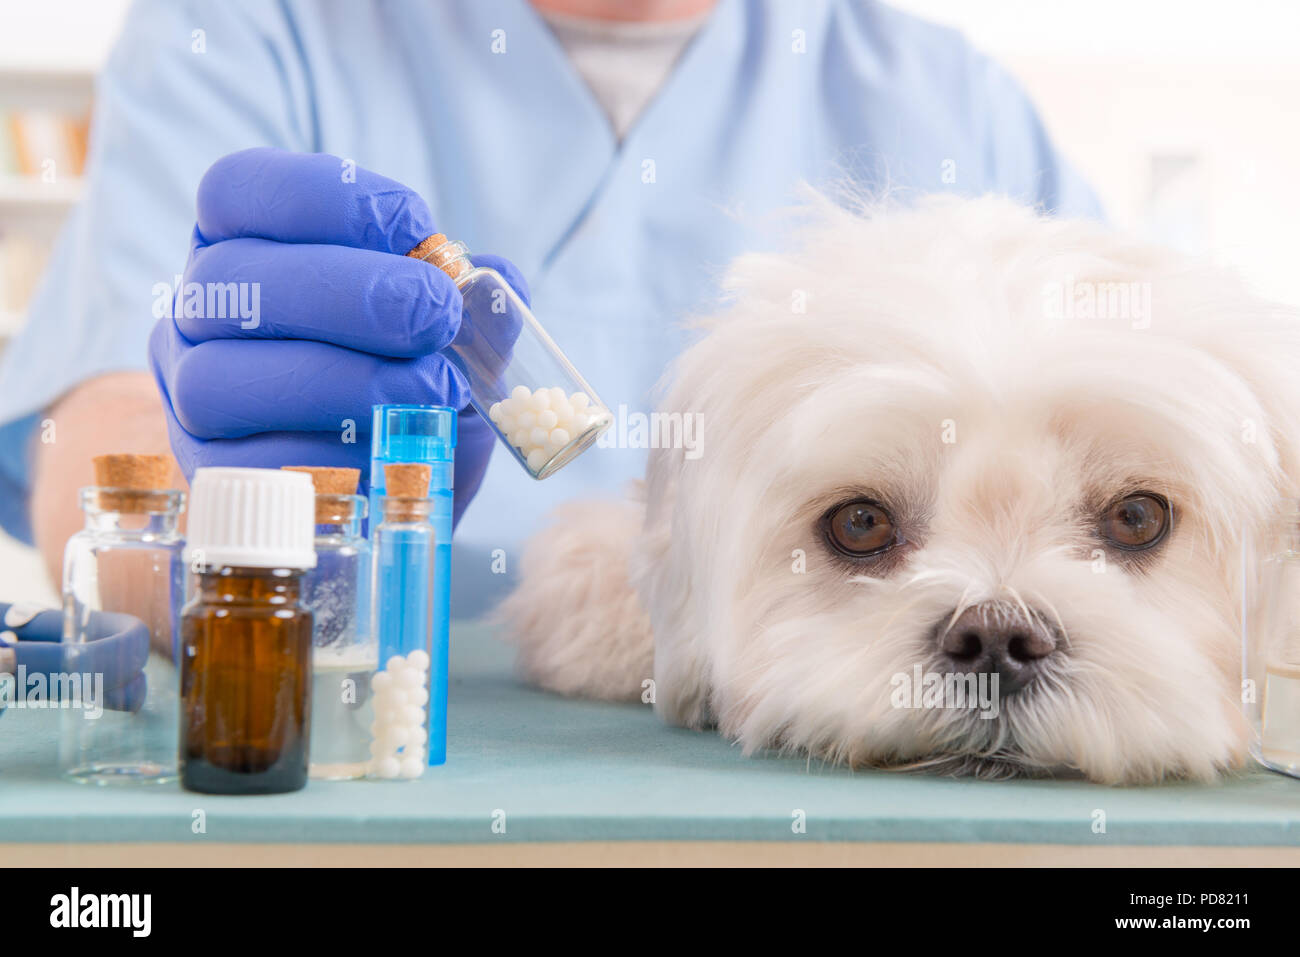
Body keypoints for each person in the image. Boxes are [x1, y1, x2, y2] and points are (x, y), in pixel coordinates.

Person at [0, 0, 1100, 613]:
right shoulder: (249, 30)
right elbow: (98, 458)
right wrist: (266, 540)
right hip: (381, 733)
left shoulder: (946, 94)